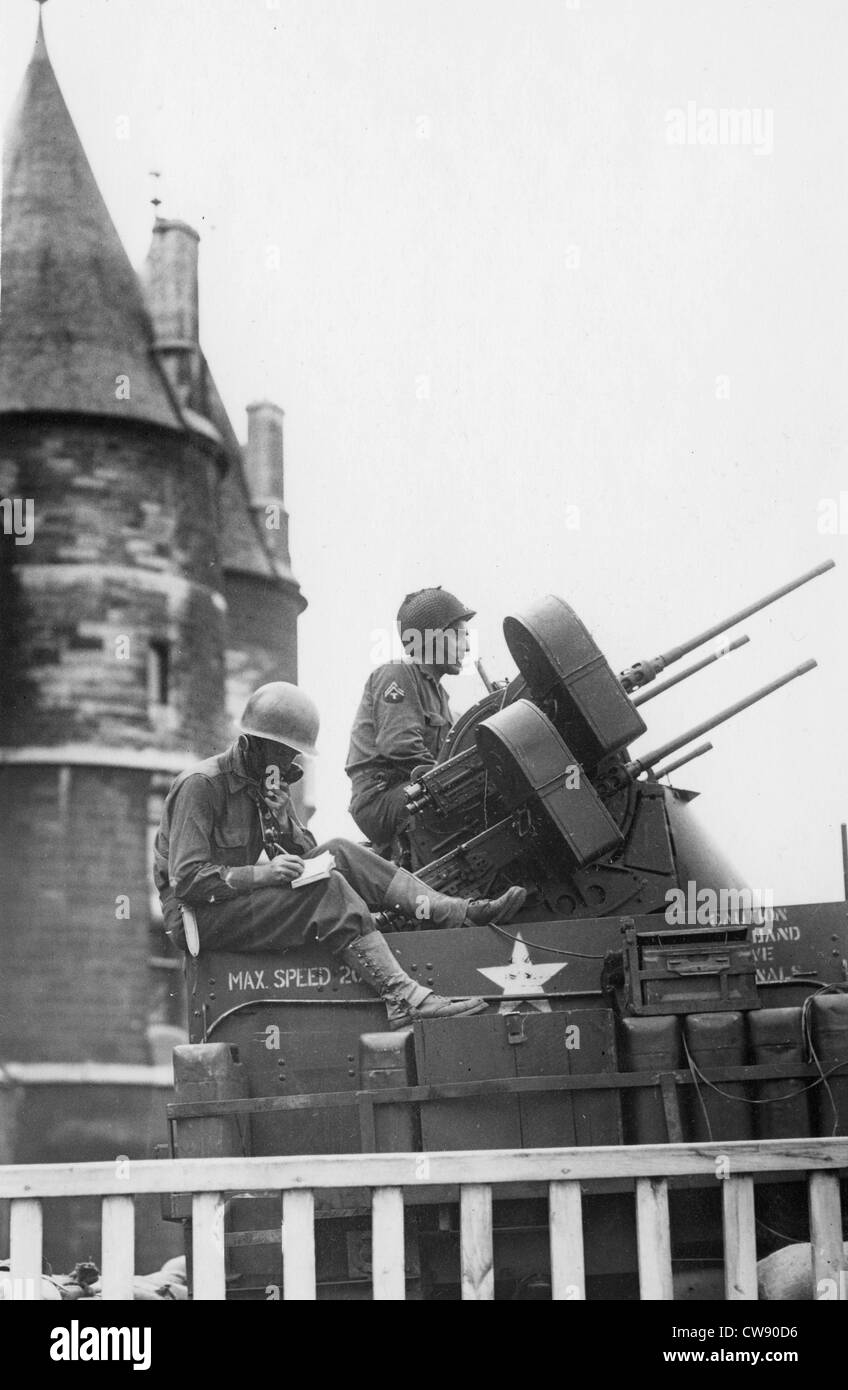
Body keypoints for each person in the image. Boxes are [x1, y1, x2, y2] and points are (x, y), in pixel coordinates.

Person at [154, 681, 526, 1030]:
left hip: (234, 904)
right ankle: (403, 998)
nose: (286, 763)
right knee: (327, 891)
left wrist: (284, 821)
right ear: (253, 743)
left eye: (292, 753)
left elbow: (309, 857)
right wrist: (264, 875)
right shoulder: (201, 786)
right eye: (281, 752)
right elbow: (187, 881)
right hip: (199, 919)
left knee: (340, 852)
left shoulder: (262, 784)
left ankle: (455, 912)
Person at [346, 586, 474, 859]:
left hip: (408, 792)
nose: (468, 646)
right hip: (380, 799)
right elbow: (400, 746)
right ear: (433, 638)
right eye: (460, 636)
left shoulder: (440, 694)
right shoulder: (398, 674)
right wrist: (455, 779)